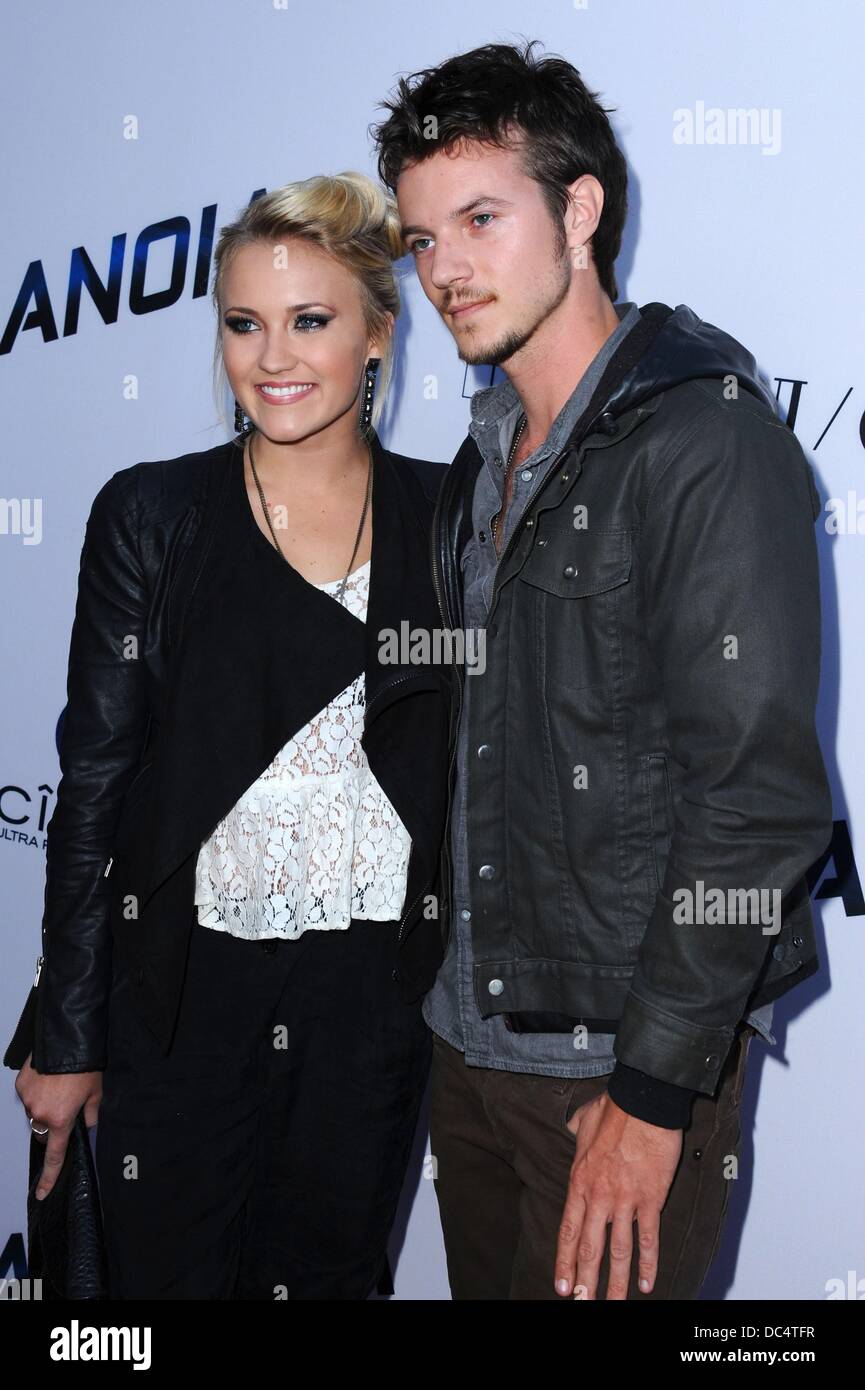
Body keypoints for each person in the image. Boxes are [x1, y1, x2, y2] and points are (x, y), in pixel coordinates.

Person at [370, 39, 833, 1299]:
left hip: (614, 1068)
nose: (446, 270)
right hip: (467, 1050)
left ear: (580, 209)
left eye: (479, 217)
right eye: (421, 239)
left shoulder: (702, 441)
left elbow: (758, 798)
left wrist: (652, 1085)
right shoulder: (481, 460)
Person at [12, 172, 451, 1299]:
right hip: (180, 998)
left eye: (311, 320)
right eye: (244, 323)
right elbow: (96, 780)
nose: (272, 356)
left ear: (378, 334)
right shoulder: (153, 514)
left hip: (366, 1009)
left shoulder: (448, 519)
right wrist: (67, 1032)